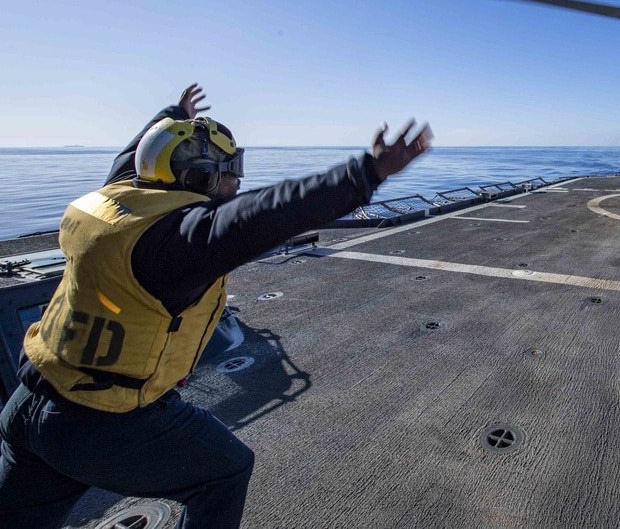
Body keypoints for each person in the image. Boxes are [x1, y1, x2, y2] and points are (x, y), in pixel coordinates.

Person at [0, 83, 432, 529]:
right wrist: (368, 173)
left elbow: (132, 157)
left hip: (28, 404)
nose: (239, 180)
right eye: (230, 170)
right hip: (104, 421)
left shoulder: (110, 201)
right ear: (200, 176)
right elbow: (268, 213)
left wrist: (173, 114)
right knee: (225, 472)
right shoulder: (177, 241)